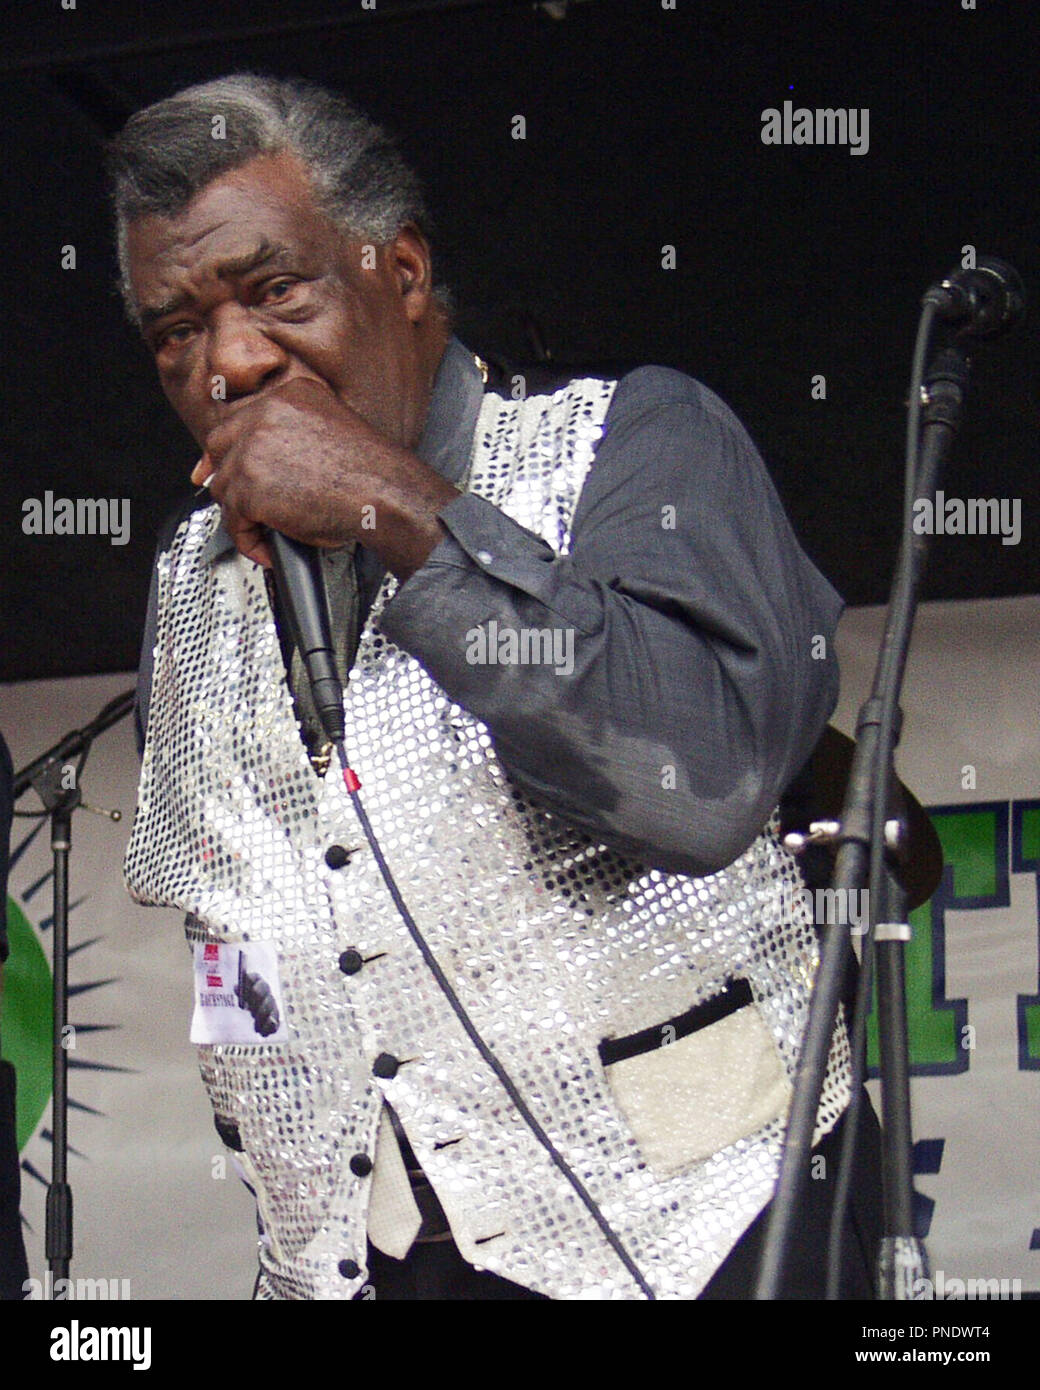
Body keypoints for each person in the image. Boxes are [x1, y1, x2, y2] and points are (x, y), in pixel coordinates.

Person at [110, 74, 877, 1300]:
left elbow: (698, 785)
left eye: (273, 292)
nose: (232, 362)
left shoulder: (636, 440)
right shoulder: (191, 582)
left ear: (400, 273)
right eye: (175, 333)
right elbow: (227, 904)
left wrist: (395, 505)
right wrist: (280, 1147)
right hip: (376, 1259)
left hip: (700, 1233)